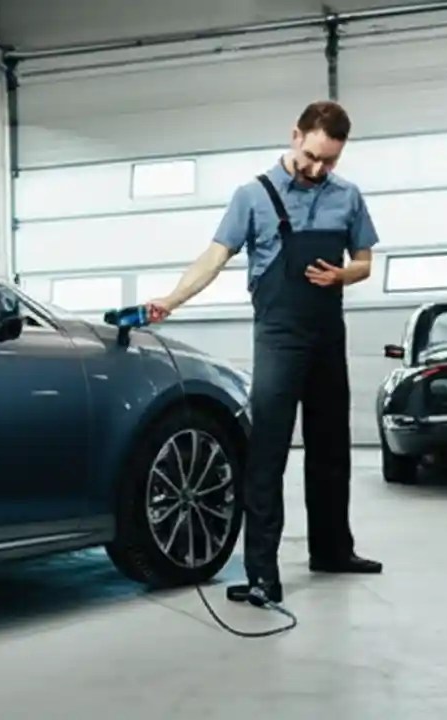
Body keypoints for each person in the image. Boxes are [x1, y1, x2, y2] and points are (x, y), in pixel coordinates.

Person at [146, 100, 383, 605]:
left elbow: (365, 262)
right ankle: (261, 574)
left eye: (331, 162)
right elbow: (214, 257)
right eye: (313, 157)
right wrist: (170, 299)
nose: (319, 170)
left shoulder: (349, 196)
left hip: (327, 333)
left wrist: (344, 275)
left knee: (330, 448)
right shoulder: (252, 196)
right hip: (278, 334)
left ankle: (333, 551)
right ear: (296, 136)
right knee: (267, 452)